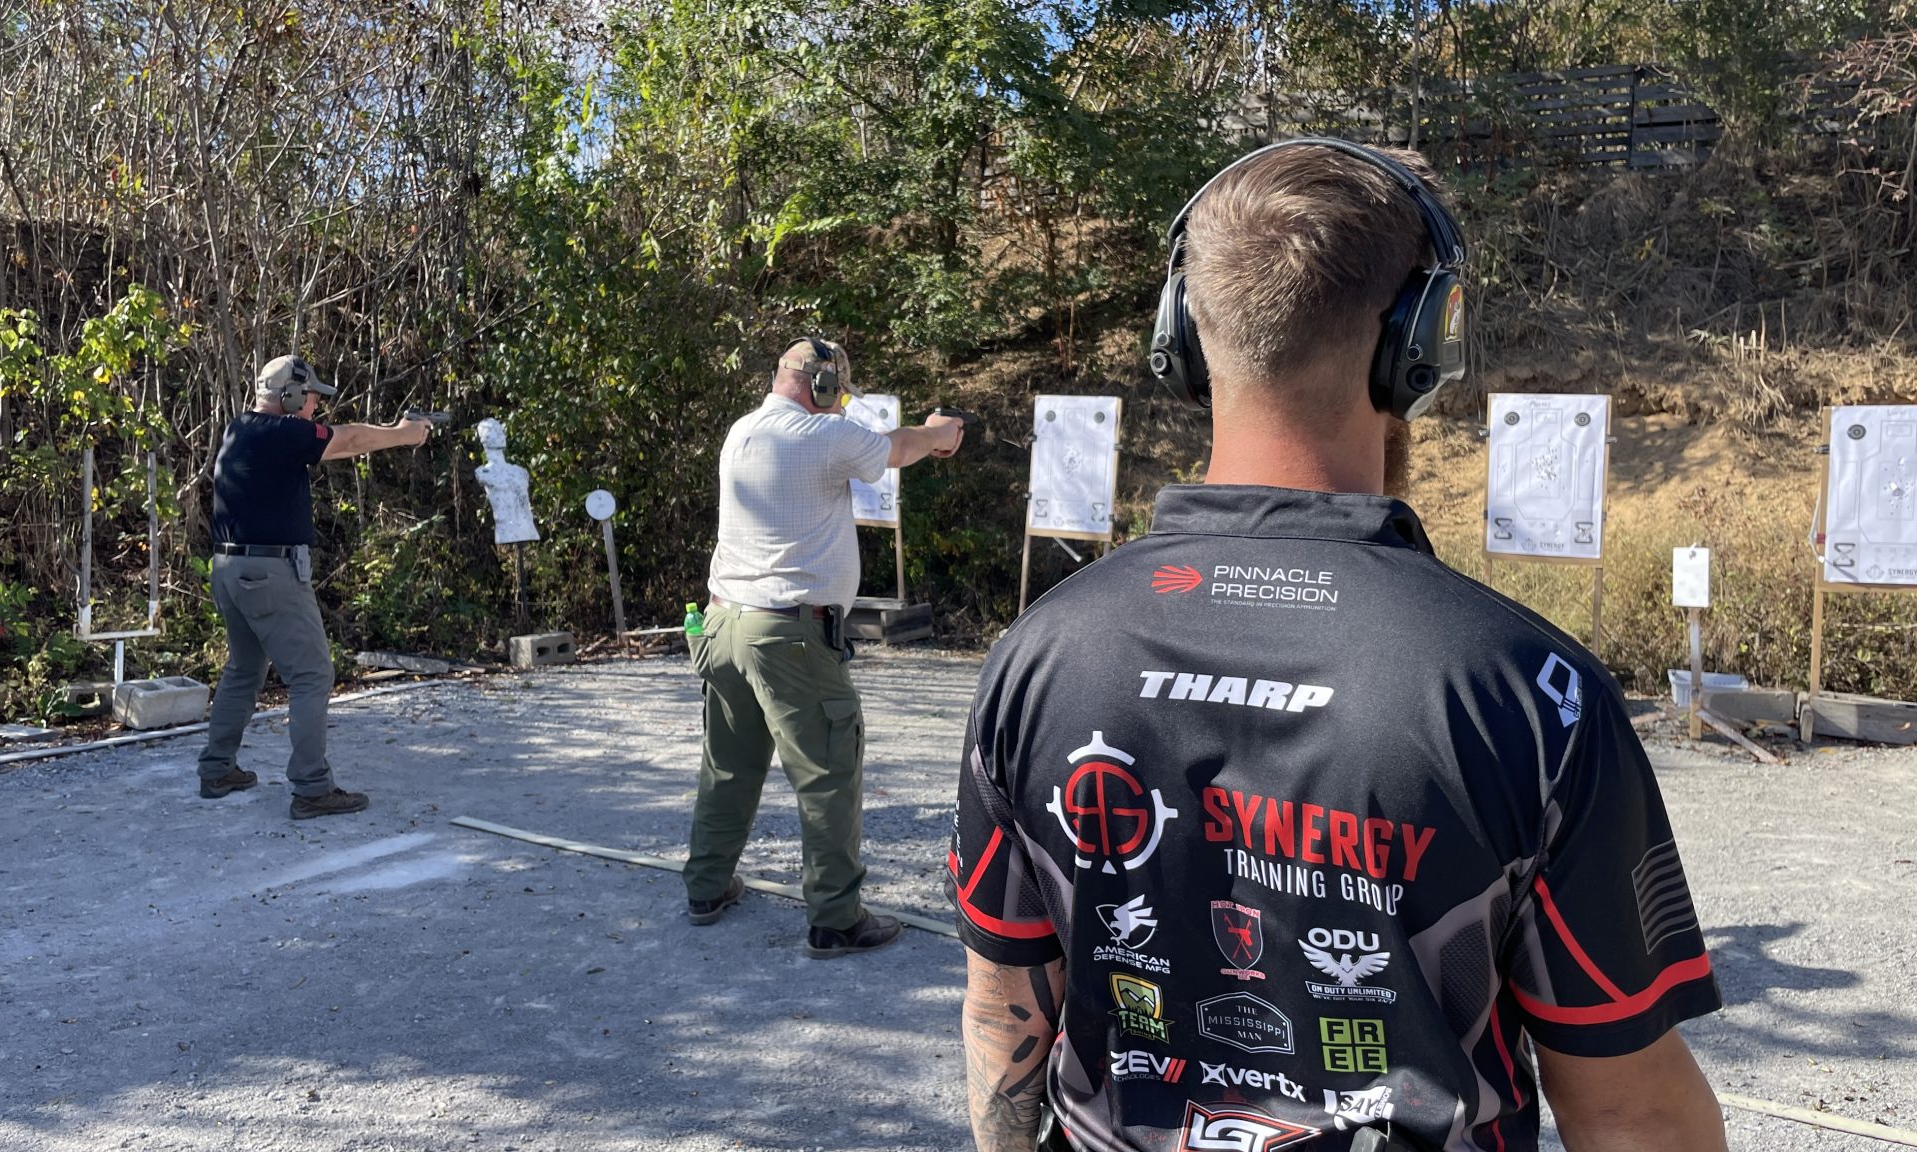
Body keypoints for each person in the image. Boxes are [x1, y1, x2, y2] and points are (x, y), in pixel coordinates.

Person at [951, 140, 1727, 1152]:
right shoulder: (1530, 692)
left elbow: (1005, 1015)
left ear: (1180, 334)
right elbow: (1628, 1110)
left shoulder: (1036, 656)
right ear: (1422, 342)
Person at [684, 336, 965, 957]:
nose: (840, 401)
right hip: (788, 635)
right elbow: (898, 448)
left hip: (722, 625)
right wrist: (939, 432)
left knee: (728, 764)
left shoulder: (741, 431)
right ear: (823, 385)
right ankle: (836, 918)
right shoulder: (823, 435)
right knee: (828, 774)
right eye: (837, 391)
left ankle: (705, 887)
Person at [196, 354, 432, 819]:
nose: (315, 407)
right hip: (270, 573)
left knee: (244, 670)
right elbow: (350, 438)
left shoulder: (242, 429)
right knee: (312, 675)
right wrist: (404, 434)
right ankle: (312, 788)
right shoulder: (281, 433)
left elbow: (337, 448)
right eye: (310, 398)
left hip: (230, 569)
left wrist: (395, 431)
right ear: (289, 395)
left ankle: (217, 770)